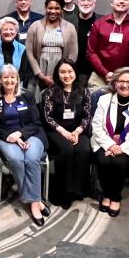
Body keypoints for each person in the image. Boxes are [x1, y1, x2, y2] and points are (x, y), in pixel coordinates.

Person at [0, 65, 48, 225]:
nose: (9, 80)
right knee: (16, 160)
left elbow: (35, 122)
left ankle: (33, 204)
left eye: (12, 77)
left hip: (32, 134)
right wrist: (10, 136)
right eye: (5, 77)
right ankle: (37, 201)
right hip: (5, 136)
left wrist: (20, 134)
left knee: (31, 158)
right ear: (0, 79)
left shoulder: (27, 95)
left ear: (17, 79)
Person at [91, 68, 129, 217]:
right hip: (104, 142)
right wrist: (110, 145)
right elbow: (96, 126)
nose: (125, 85)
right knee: (104, 161)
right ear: (115, 83)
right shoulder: (104, 100)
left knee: (119, 162)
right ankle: (106, 194)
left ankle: (115, 197)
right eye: (121, 81)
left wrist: (121, 148)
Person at [41, 58, 91, 208]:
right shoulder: (50, 92)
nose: (66, 75)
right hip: (56, 131)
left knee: (84, 149)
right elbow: (47, 117)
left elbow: (87, 116)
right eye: (62, 72)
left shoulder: (84, 91)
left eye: (70, 71)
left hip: (78, 130)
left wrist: (77, 131)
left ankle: (78, 189)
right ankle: (62, 192)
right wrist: (64, 132)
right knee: (67, 150)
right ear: (57, 74)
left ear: (75, 72)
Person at [86, 0, 129, 92]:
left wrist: (125, 74)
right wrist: (105, 73)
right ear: (112, 3)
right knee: (95, 105)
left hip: (128, 78)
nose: (122, 1)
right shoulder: (99, 24)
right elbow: (91, 52)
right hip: (100, 77)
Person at [25, 0, 78, 100]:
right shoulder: (35, 26)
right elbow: (29, 52)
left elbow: (73, 53)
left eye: (57, 8)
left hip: (61, 72)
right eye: (50, 8)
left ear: (61, 9)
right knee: (38, 102)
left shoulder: (70, 27)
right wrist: (40, 75)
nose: (53, 11)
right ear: (45, 8)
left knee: (57, 101)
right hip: (39, 71)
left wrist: (64, 73)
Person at [0, 17, 32, 96]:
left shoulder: (22, 48)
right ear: (0, 32)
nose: (8, 32)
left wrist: (12, 88)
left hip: (16, 91)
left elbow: (23, 72)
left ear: (16, 32)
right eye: (5, 29)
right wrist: (0, 88)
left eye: (11, 29)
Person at [74, 0, 98, 86]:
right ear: (78, 2)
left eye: (89, 0)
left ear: (94, 3)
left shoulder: (100, 22)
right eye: (83, 0)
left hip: (94, 73)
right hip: (72, 70)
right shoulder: (70, 22)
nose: (86, 3)